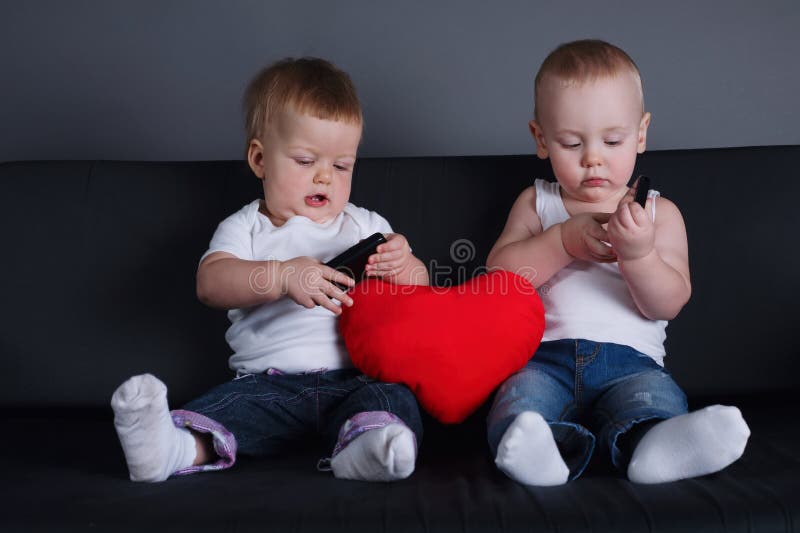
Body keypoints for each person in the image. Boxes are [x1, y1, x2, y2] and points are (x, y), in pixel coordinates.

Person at [111, 57, 429, 483]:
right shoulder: (247, 227)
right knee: (231, 408)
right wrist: (281, 276)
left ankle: (369, 448)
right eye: (304, 161)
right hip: (271, 385)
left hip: (356, 379)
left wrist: (404, 264)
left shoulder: (365, 224)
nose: (324, 178)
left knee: (393, 398)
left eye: (340, 166)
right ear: (260, 159)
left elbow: (421, 291)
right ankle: (173, 448)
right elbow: (211, 283)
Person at [485, 40, 750, 485]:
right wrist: (562, 241)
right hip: (541, 360)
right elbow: (499, 280)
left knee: (653, 399)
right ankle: (542, 454)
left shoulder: (657, 214)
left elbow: (667, 303)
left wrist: (638, 254)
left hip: (632, 363)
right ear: (541, 140)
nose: (593, 157)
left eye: (612, 140)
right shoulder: (537, 203)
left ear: (641, 133)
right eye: (571, 142)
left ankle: (656, 448)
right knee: (517, 400)